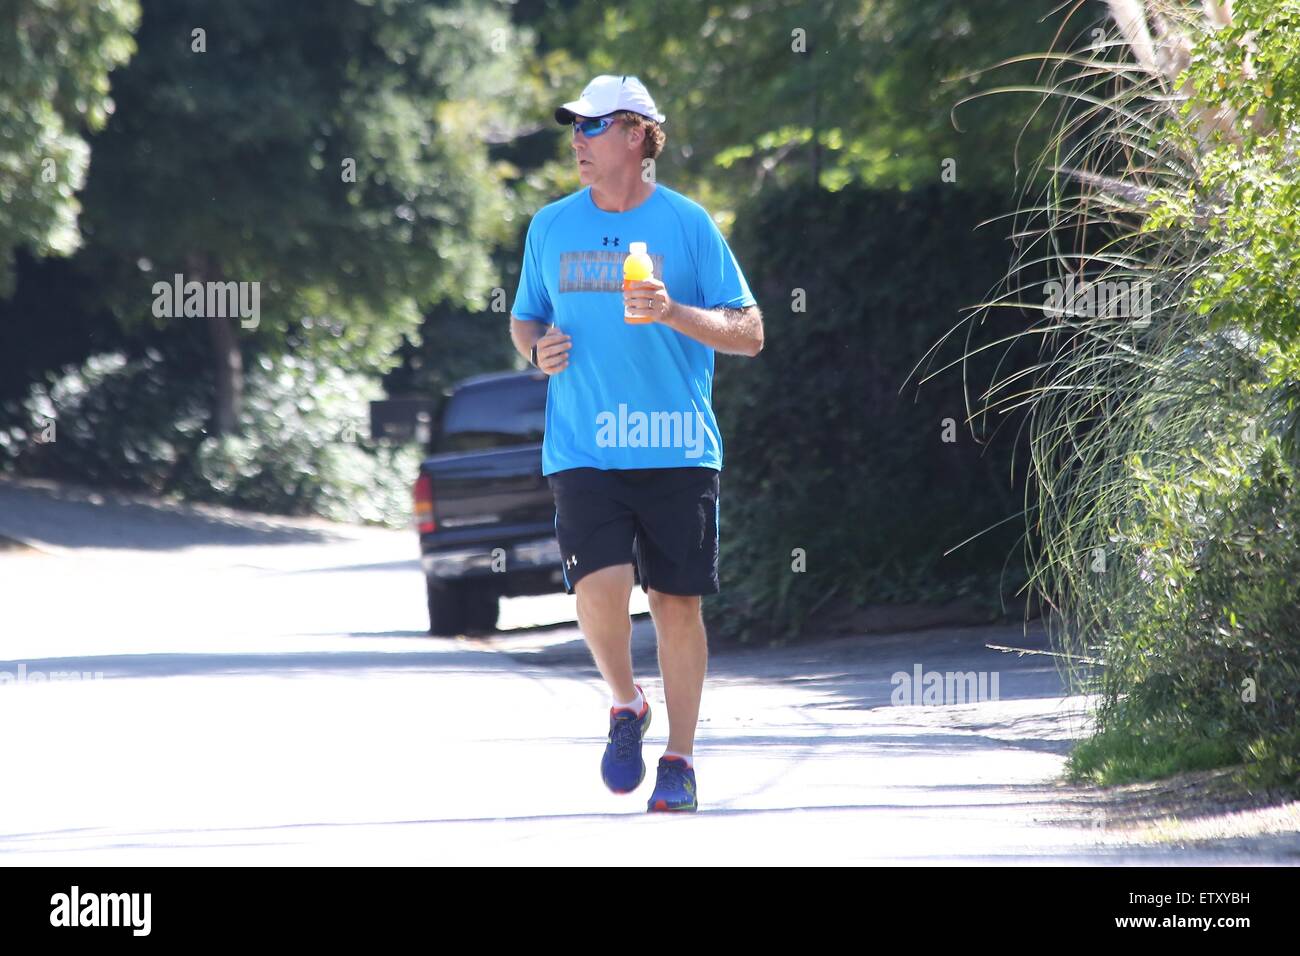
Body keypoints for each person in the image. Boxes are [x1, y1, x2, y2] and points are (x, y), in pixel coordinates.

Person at [508, 74, 764, 812]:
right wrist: (536, 351)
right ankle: (626, 702)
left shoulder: (687, 224)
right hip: (585, 446)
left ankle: (679, 761)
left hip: (678, 446)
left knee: (676, 605)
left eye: (589, 128)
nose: (576, 142)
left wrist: (674, 311)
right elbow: (525, 318)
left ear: (634, 135)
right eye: (574, 129)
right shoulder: (551, 226)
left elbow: (749, 333)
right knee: (600, 592)